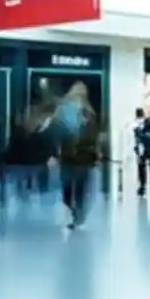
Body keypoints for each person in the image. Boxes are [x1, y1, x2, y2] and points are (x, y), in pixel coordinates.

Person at [55, 84, 100, 229]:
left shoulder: (90, 116)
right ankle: (75, 211)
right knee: (67, 190)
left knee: (80, 188)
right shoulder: (63, 113)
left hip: (82, 158)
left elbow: (93, 137)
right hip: (67, 157)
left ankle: (78, 217)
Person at [130, 107, 147, 193]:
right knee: (144, 165)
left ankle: (142, 184)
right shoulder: (145, 122)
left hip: (139, 146)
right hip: (145, 146)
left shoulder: (135, 123)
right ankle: (144, 184)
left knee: (141, 166)